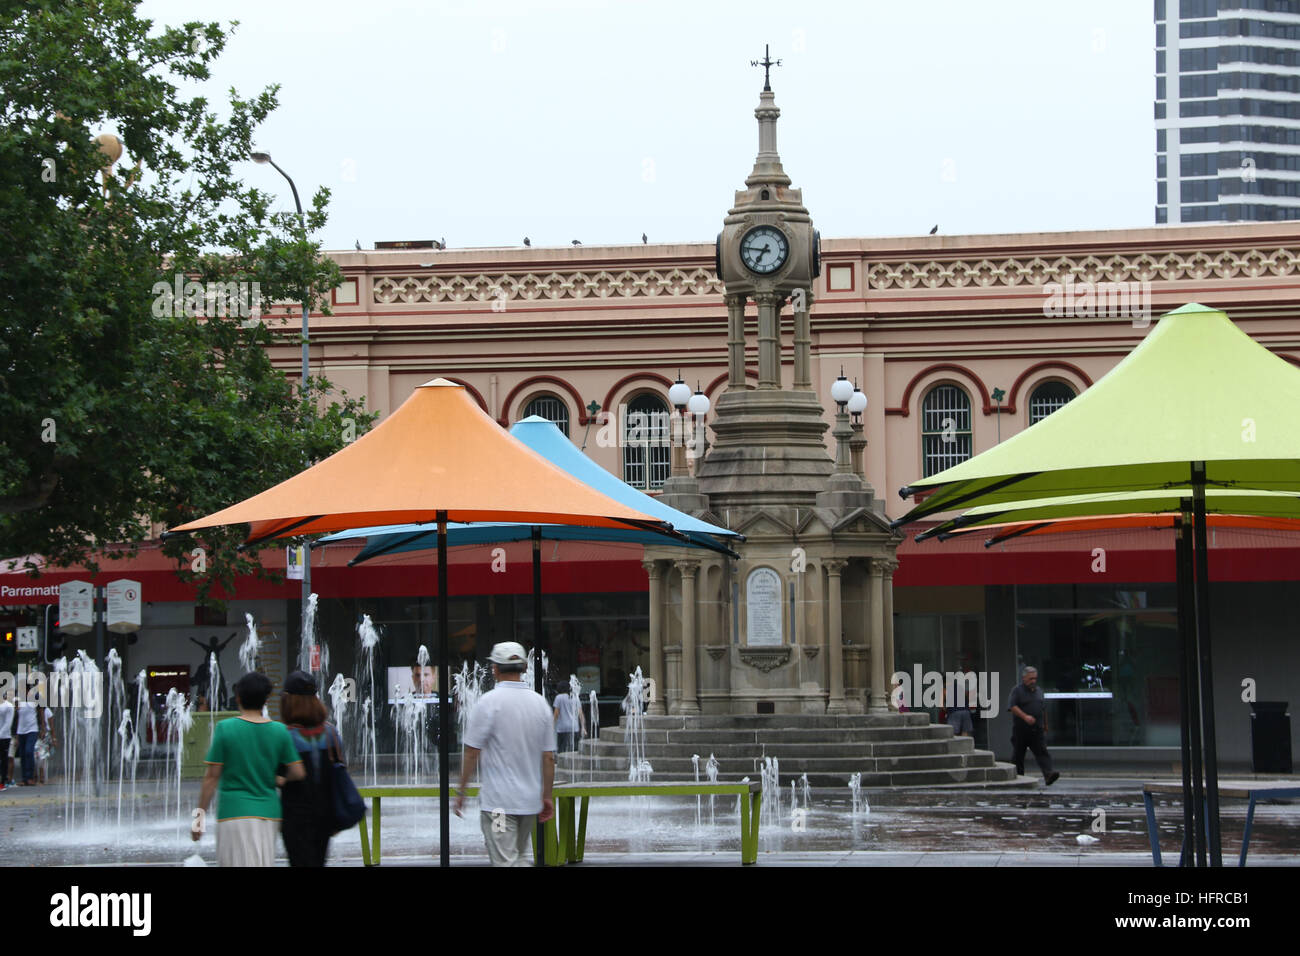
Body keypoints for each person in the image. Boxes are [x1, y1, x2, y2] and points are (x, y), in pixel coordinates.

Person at [454, 642, 555, 867]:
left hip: (498, 806)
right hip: (528, 804)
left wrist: (461, 791)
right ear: (525, 668)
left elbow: (471, 753)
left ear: (495, 669)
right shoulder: (540, 704)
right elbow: (548, 757)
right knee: (518, 857)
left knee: (504, 861)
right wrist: (547, 796)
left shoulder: (488, 703)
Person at [194, 671, 304, 866]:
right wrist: (279, 779)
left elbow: (211, 778)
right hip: (268, 814)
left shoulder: (225, 728)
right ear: (265, 701)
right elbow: (298, 772)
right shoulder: (279, 731)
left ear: (238, 698)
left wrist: (198, 819)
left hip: (232, 813)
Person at [279, 670, 345, 866]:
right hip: (324, 815)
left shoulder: (286, 736)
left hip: (295, 817)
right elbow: (339, 771)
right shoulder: (330, 732)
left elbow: (280, 776)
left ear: (289, 700)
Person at [1007, 666, 1059, 786]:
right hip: (1021, 729)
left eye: (1035, 678)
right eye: (1030, 679)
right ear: (1024, 678)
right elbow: (1012, 707)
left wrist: (1045, 724)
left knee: (1042, 751)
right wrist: (1025, 717)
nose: (1033, 681)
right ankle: (1018, 778)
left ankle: (1049, 774)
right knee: (1018, 755)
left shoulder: (1039, 691)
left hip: (1037, 729)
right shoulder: (1017, 691)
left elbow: (1043, 708)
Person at [13, 694, 46, 786]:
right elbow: (17, 716)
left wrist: (43, 728)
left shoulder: (35, 697)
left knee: (28, 751)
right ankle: (24, 779)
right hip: (21, 731)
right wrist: (17, 734)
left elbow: (41, 712)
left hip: (32, 730)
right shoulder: (18, 698)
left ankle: (30, 777)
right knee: (22, 754)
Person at [553, 680, 587, 753]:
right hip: (574, 727)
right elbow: (581, 714)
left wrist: (552, 726)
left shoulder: (558, 698)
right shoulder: (575, 697)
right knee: (574, 750)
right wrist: (583, 727)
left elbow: (556, 714)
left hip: (562, 728)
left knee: (562, 751)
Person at [0, 693, 13, 791]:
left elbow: (8, 723)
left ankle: (2, 783)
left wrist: (0, 734)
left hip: (4, 737)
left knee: (3, 760)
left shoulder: (8, 706)